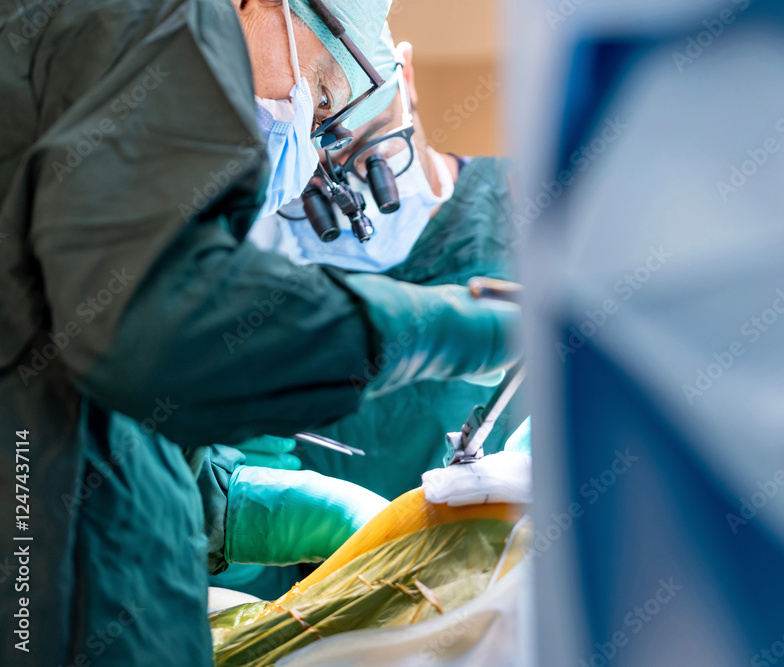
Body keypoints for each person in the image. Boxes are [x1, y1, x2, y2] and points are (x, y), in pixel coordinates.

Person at [0, 0, 520, 663]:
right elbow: (143, 328)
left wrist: (217, 496)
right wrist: (438, 330)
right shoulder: (152, 27)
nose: (309, 161)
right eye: (324, 98)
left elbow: (78, 370)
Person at [249, 25, 525, 502]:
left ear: (407, 78)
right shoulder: (252, 290)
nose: (352, 204)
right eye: (307, 183)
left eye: (373, 153)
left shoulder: (533, 213)